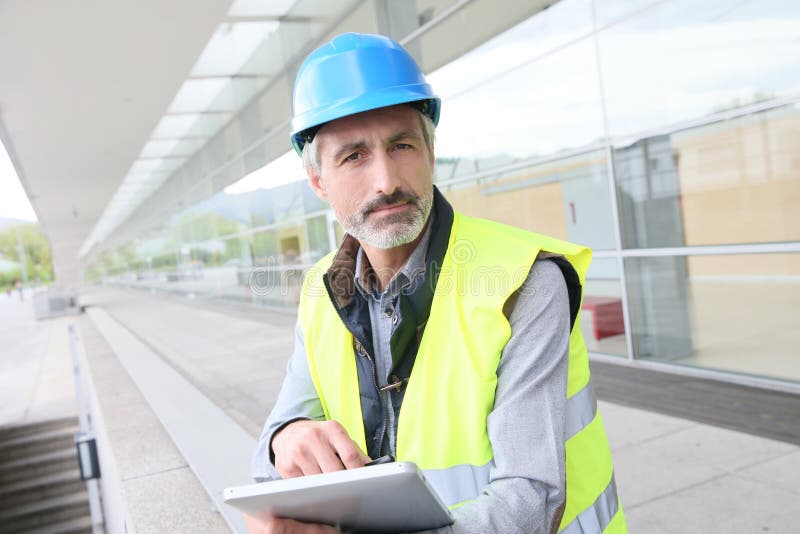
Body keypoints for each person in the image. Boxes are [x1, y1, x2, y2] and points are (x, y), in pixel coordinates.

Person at [249, 32, 627, 533]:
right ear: (319, 181)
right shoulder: (321, 290)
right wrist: (287, 436)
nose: (387, 181)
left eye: (402, 145)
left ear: (430, 150)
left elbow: (530, 500)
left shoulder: (525, 281)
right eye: (354, 156)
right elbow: (270, 450)